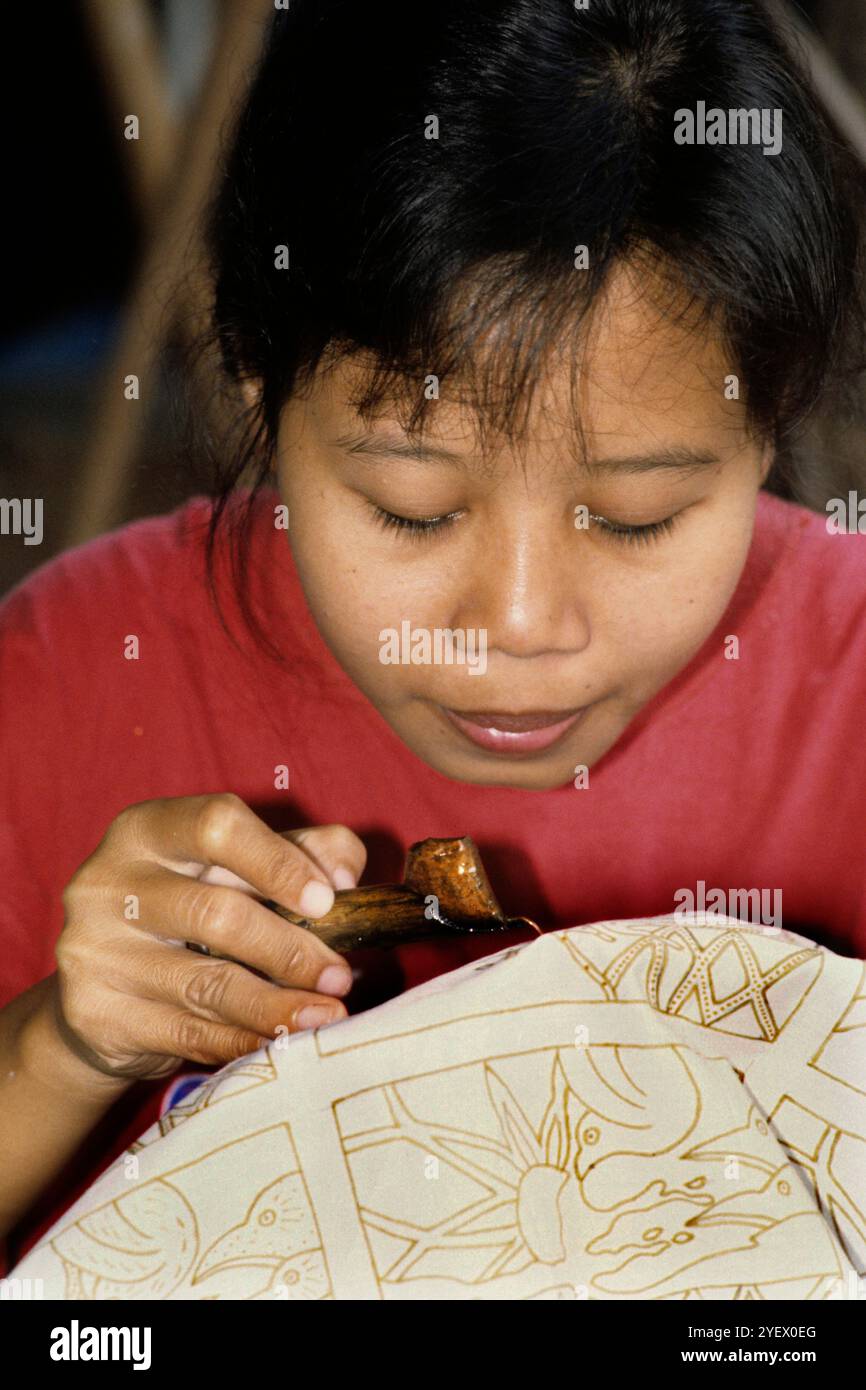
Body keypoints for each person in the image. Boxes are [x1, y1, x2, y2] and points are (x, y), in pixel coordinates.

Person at [2, 0, 866, 1275]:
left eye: (634, 519)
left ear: (765, 424)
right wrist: (63, 1047)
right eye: (412, 508)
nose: (516, 629)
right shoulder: (72, 675)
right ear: (254, 373)